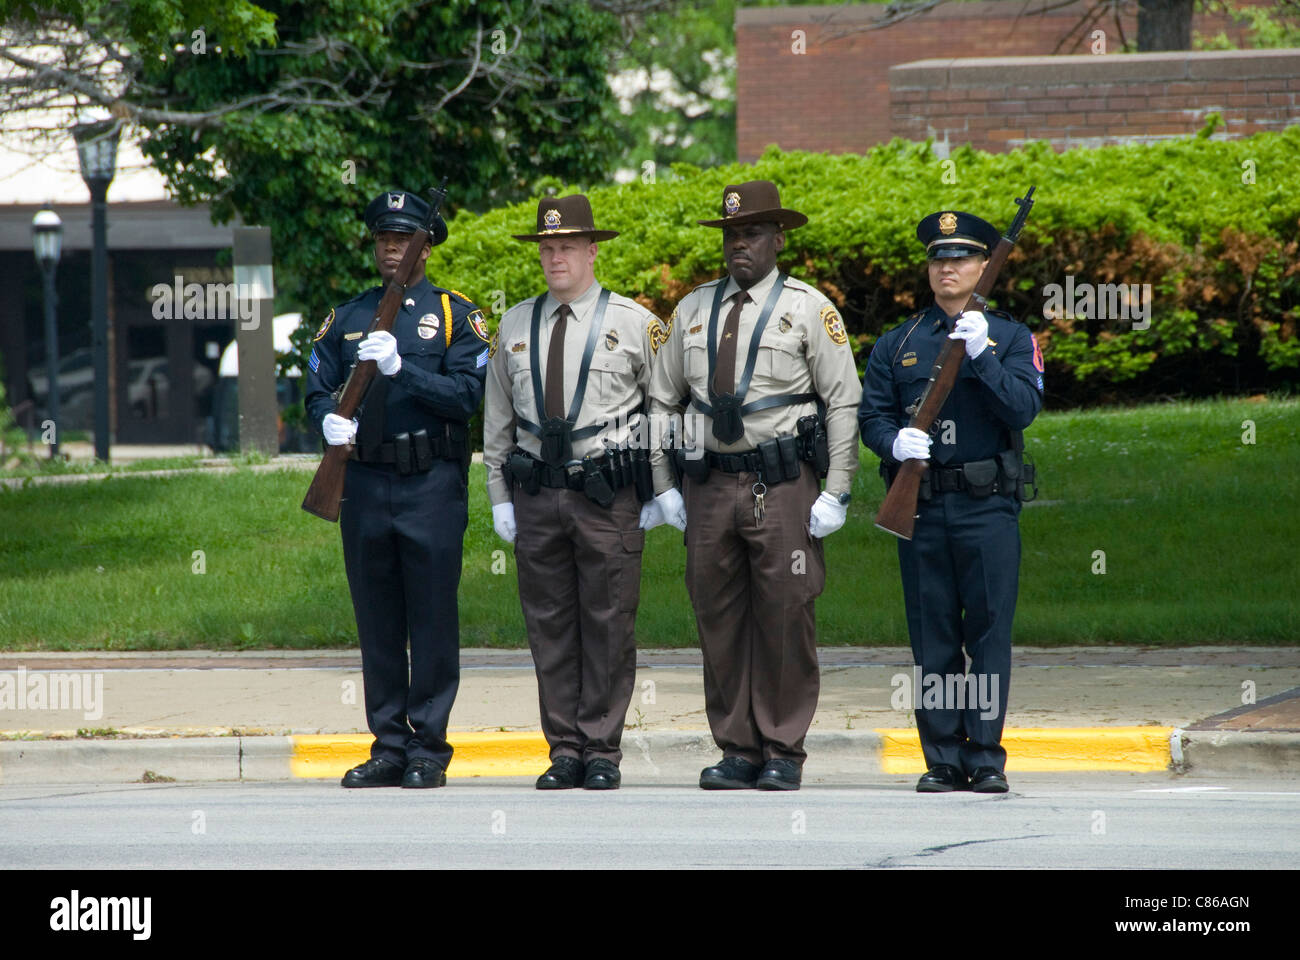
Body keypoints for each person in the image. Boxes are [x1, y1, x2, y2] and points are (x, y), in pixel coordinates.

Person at [647, 181, 861, 791]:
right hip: (709, 485)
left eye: (751, 233)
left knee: (786, 613)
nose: (739, 244)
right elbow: (662, 398)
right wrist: (663, 484)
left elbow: (843, 401)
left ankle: (783, 748)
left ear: (777, 239)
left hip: (783, 482)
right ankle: (737, 747)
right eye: (731, 234)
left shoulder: (808, 308)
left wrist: (837, 489)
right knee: (718, 614)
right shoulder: (691, 310)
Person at [305, 188, 489, 788]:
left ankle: (429, 748)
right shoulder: (349, 315)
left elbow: (467, 396)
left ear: (426, 247)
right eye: (384, 238)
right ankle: (387, 744)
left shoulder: (457, 314)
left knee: (432, 618)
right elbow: (314, 387)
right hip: (363, 479)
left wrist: (400, 370)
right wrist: (324, 419)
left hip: (431, 482)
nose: (392, 247)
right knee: (377, 618)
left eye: (404, 238)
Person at [858, 209, 1044, 794]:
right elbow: (872, 416)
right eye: (939, 258)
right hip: (924, 506)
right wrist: (893, 441)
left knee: (987, 634)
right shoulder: (902, 341)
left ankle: (985, 755)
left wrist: (983, 354)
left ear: (985, 266)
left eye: (961, 258)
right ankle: (942, 756)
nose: (948, 268)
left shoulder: (1011, 337)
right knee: (933, 635)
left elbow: (1022, 409)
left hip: (987, 506)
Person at [483, 194, 661, 791]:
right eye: (546, 247)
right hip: (537, 492)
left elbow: (664, 410)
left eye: (566, 247)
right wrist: (498, 496)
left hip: (606, 493)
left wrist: (661, 487)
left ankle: (602, 749)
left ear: (591, 251)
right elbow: (497, 420)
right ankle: (564, 748)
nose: (555, 257)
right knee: (549, 622)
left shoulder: (634, 324)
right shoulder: (512, 325)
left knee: (609, 620)